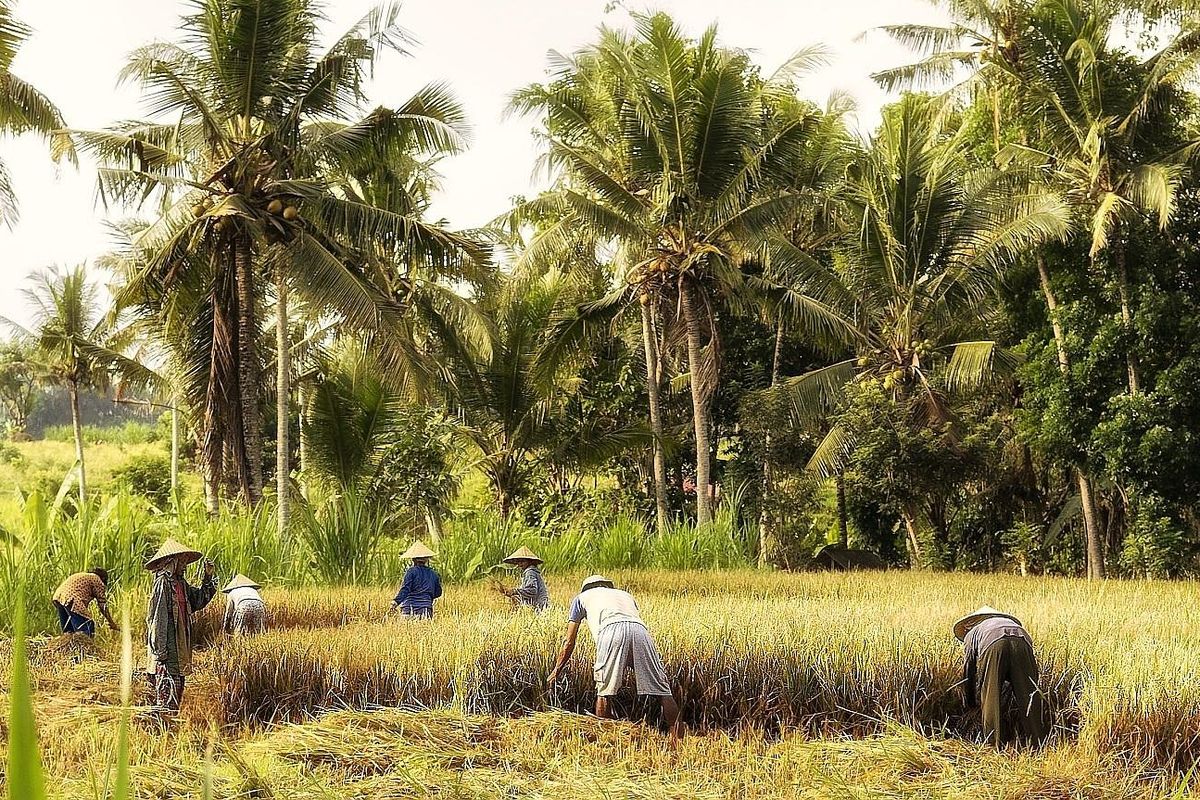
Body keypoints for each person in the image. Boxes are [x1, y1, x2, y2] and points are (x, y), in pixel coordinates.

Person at [547, 574, 682, 738]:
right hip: (640, 631)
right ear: (606, 585)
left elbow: (569, 641)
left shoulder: (581, 598)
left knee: (604, 691)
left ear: (586, 588)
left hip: (610, 631)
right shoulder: (625, 595)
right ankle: (678, 738)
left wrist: (556, 670)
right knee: (662, 690)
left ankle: (606, 739)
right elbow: (628, 622)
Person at [954, 605, 1049, 747]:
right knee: (1029, 695)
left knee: (991, 697)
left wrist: (970, 702)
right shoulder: (1007, 623)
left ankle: (993, 745)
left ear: (969, 624)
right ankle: (1039, 742)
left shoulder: (972, 632)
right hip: (1022, 640)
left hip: (993, 644)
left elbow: (969, 670)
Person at [144, 538, 217, 712]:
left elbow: (199, 600)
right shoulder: (163, 583)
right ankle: (163, 729)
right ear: (172, 561)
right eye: (182, 561)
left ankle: (168, 726)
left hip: (180, 645)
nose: (185, 565)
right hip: (167, 648)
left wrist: (208, 577)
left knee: (177, 689)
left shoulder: (181, 584)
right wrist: (160, 651)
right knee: (167, 692)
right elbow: (157, 618)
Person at [52, 568, 119, 636]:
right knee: (87, 626)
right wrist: (111, 622)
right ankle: (84, 645)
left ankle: (69, 645)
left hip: (58, 597)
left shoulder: (84, 576)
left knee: (69, 632)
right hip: (72, 599)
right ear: (103, 578)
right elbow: (102, 605)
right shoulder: (97, 580)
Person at [391, 540, 442, 619]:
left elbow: (405, 589)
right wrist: (427, 596)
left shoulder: (411, 572)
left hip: (408, 609)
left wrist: (396, 602)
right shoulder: (434, 574)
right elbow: (438, 592)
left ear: (413, 559)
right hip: (425, 610)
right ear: (426, 559)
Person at [496, 546, 550, 611]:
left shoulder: (530, 572)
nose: (520, 564)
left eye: (522, 561)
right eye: (518, 561)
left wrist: (515, 591)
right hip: (539, 607)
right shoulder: (531, 572)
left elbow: (532, 590)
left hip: (539, 607)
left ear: (530, 561)